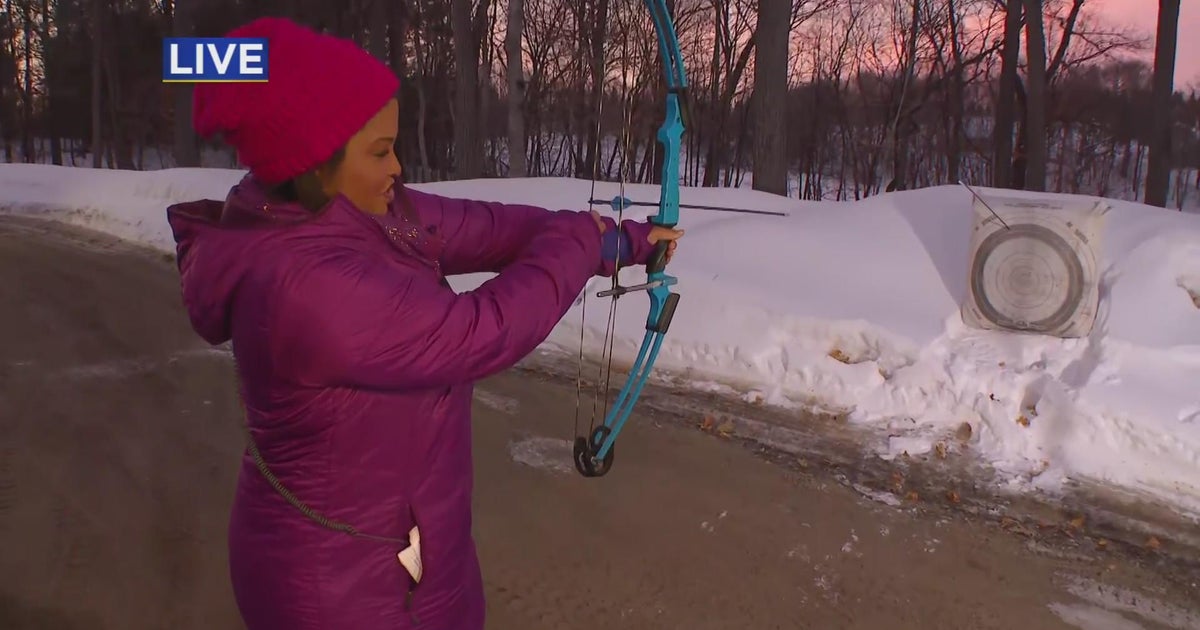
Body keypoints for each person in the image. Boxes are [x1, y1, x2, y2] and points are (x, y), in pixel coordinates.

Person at [164, 16, 683, 630]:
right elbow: (481, 330)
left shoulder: (350, 209)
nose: (398, 168)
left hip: (411, 554)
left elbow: (487, 228)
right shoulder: (305, 287)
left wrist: (621, 241)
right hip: (337, 590)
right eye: (379, 151)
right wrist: (577, 243)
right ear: (312, 160)